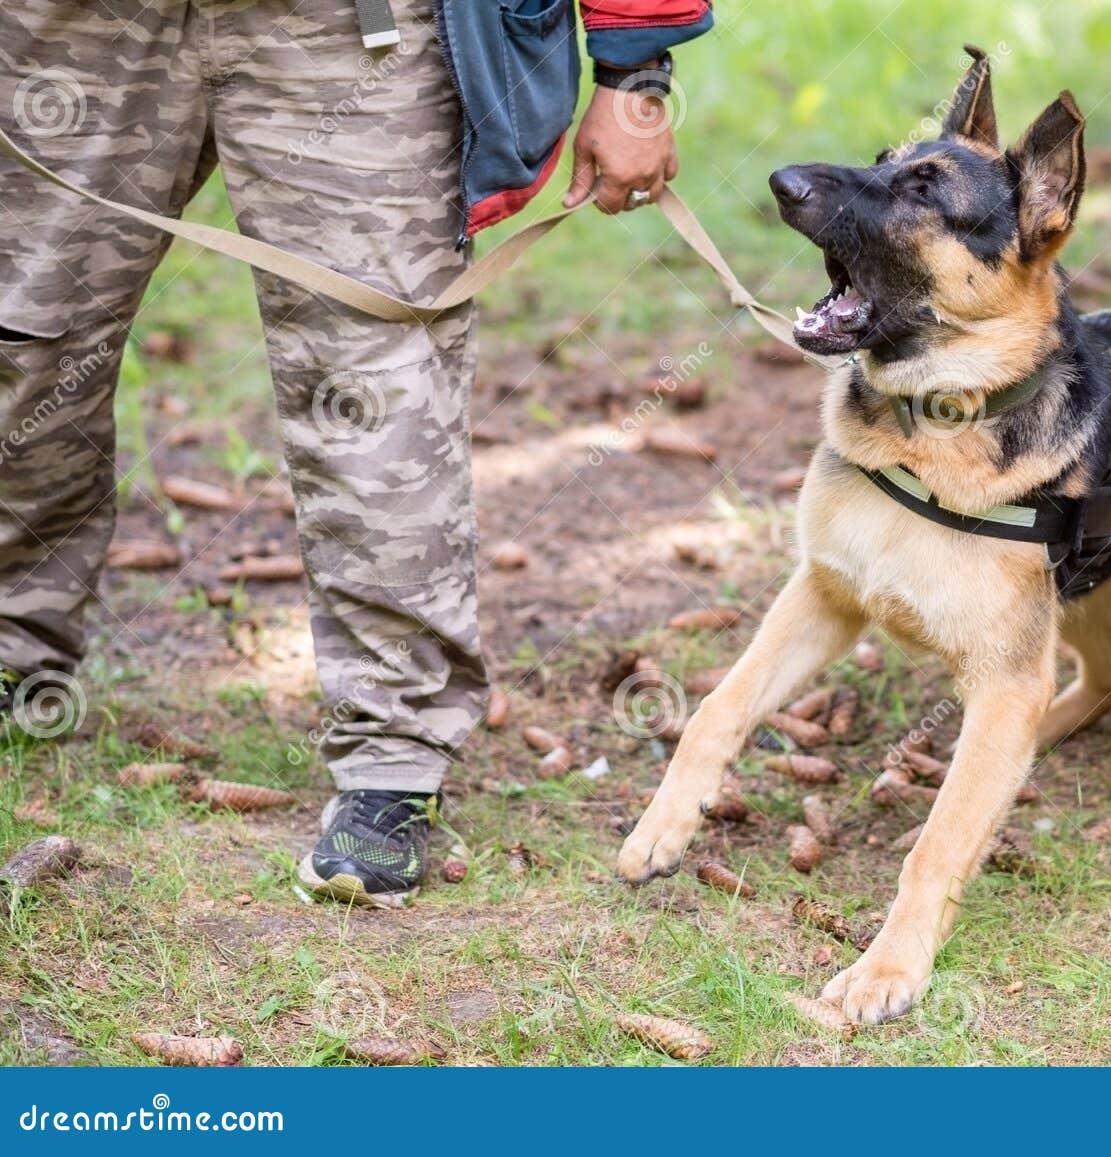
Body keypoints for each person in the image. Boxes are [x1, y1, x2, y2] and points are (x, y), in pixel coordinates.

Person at [0, 0, 713, 908]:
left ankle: (393, 754)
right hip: (68, 25)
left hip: (346, 30)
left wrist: (636, 66)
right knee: (26, 346)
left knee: (375, 384)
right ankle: (14, 650)